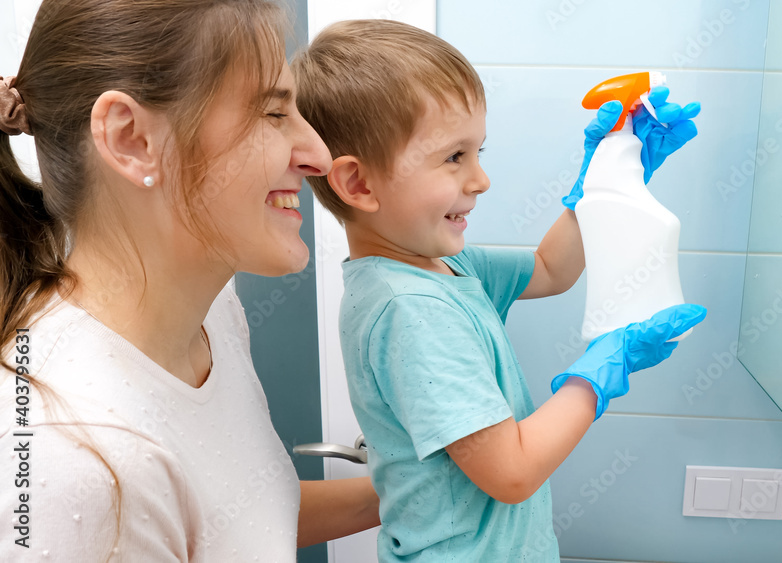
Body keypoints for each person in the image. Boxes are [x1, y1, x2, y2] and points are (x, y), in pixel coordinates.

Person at [292, 19, 705, 561]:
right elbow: (511, 474)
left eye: (478, 151)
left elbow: (550, 269)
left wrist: (602, 183)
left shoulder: (443, 266)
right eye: (454, 157)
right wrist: (604, 369)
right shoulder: (410, 309)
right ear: (359, 184)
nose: (480, 179)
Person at [0, 1, 378, 560]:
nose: (319, 155)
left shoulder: (210, 314)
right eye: (273, 115)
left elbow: (235, 520)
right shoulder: (76, 461)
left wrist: (419, 489)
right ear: (131, 138)